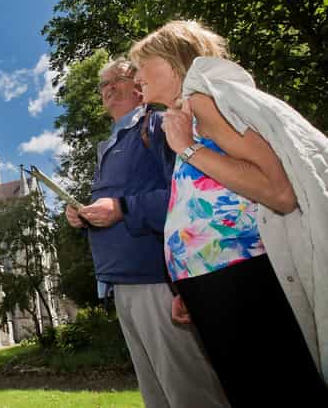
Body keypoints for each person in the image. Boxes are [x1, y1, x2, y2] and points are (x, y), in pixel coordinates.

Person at [130, 20, 328, 406]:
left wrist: (186, 148)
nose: (137, 75)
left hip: (240, 279)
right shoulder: (189, 113)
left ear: (173, 64)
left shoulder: (205, 102)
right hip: (212, 280)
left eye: (143, 64)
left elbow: (279, 191)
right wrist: (185, 279)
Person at [65, 58, 228, 408]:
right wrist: (86, 216)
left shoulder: (158, 127)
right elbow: (115, 204)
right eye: (102, 84)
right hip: (120, 282)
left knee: (188, 391)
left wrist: (122, 207)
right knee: (156, 395)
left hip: (155, 277)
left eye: (116, 80)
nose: (107, 88)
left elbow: (186, 195)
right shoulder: (110, 143)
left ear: (139, 85)